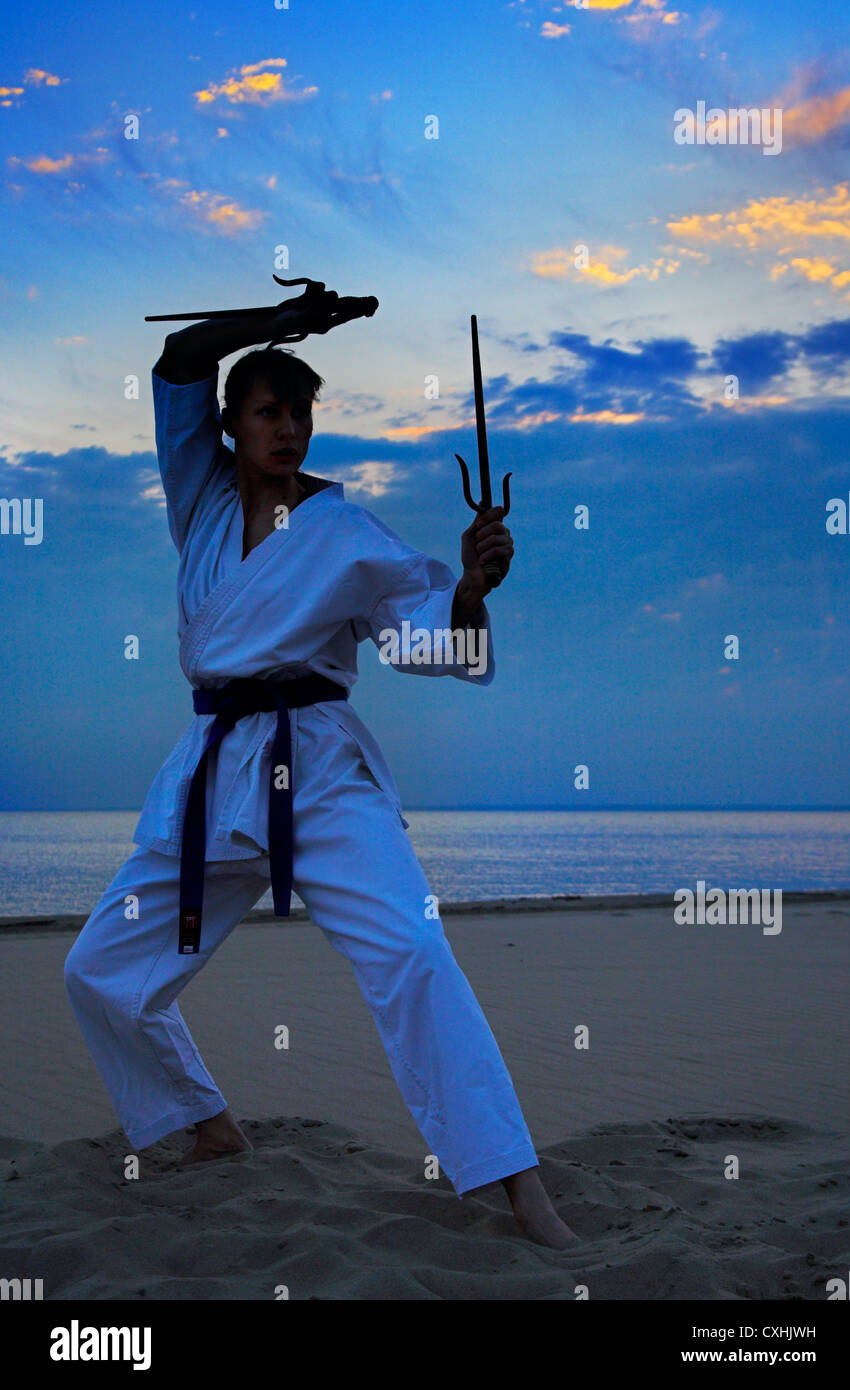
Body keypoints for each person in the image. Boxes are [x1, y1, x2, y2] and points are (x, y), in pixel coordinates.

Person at [64, 300, 575, 1250]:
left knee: (413, 951)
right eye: (267, 411)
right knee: (98, 970)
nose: (288, 428)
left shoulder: (345, 532)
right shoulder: (200, 501)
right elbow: (180, 353)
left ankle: (516, 1183)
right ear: (229, 424)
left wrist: (469, 590)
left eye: (299, 413)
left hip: (321, 770)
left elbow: (429, 638)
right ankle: (206, 1123)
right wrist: (290, 317)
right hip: (214, 772)